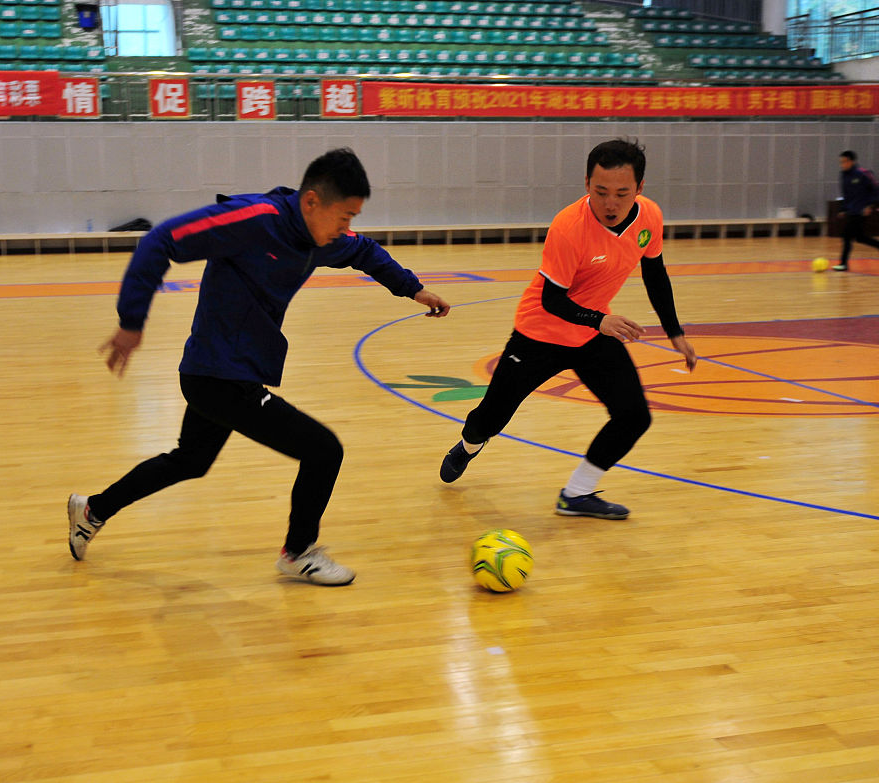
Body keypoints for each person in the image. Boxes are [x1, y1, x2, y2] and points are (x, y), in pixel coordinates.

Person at [68, 148, 451, 586]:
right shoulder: (252, 219)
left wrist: (414, 290)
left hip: (222, 372)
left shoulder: (316, 237)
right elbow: (161, 240)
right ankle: (299, 551)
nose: (347, 228)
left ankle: (92, 510)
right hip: (219, 375)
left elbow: (363, 251)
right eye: (344, 216)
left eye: (352, 218)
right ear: (311, 202)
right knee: (323, 450)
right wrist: (131, 322)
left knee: (190, 460)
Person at [438, 138, 696, 519]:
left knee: (634, 416)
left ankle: (576, 494)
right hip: (539, 334)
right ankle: (468, 444)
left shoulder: (649, 217)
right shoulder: (569, 226)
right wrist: (601, 320)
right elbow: (552, 300)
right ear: (586, 183)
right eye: (600, 191)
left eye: (622, 193)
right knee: (490, 419)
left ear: (639, 189)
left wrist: (675, 331)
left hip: (592, 334)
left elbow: (654, 272)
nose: (610, 203)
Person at [834, 150, 879, 272]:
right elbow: (846, 194)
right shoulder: (843, 175)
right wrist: (843, 209)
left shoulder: (863, 173)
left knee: (846, 236)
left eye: (844, 162)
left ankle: (843, 264)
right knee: (859, 237)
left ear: (852, 161)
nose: (842, 164)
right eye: (841, 162)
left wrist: (870, 205)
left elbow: (876, 190)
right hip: (851, 210)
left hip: (861, 210)